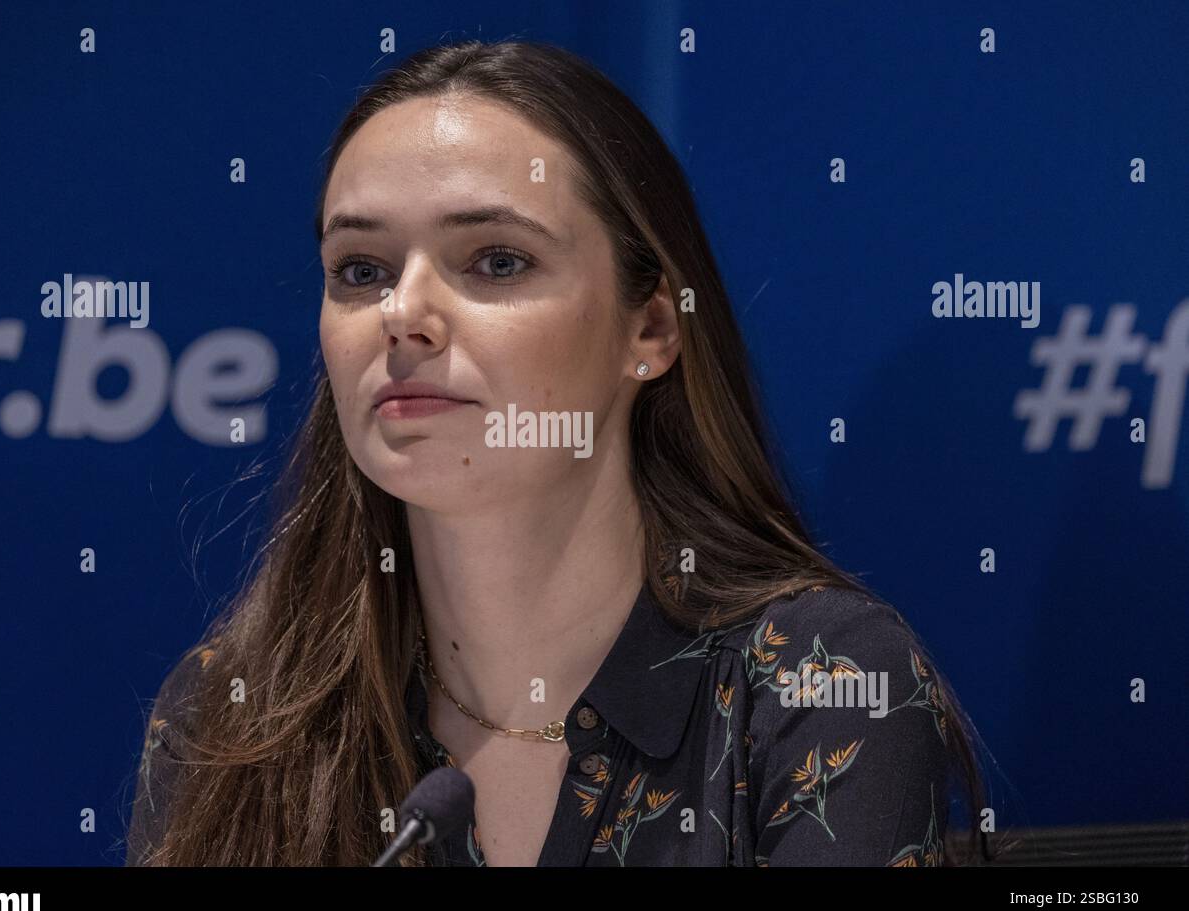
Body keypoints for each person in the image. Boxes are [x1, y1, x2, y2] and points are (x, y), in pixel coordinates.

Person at [126, 39, 987, 867]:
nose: (402, 312)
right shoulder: (235, 713)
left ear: (648, 328)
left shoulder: (815, 682)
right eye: (360, 270)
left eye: (496, 261)